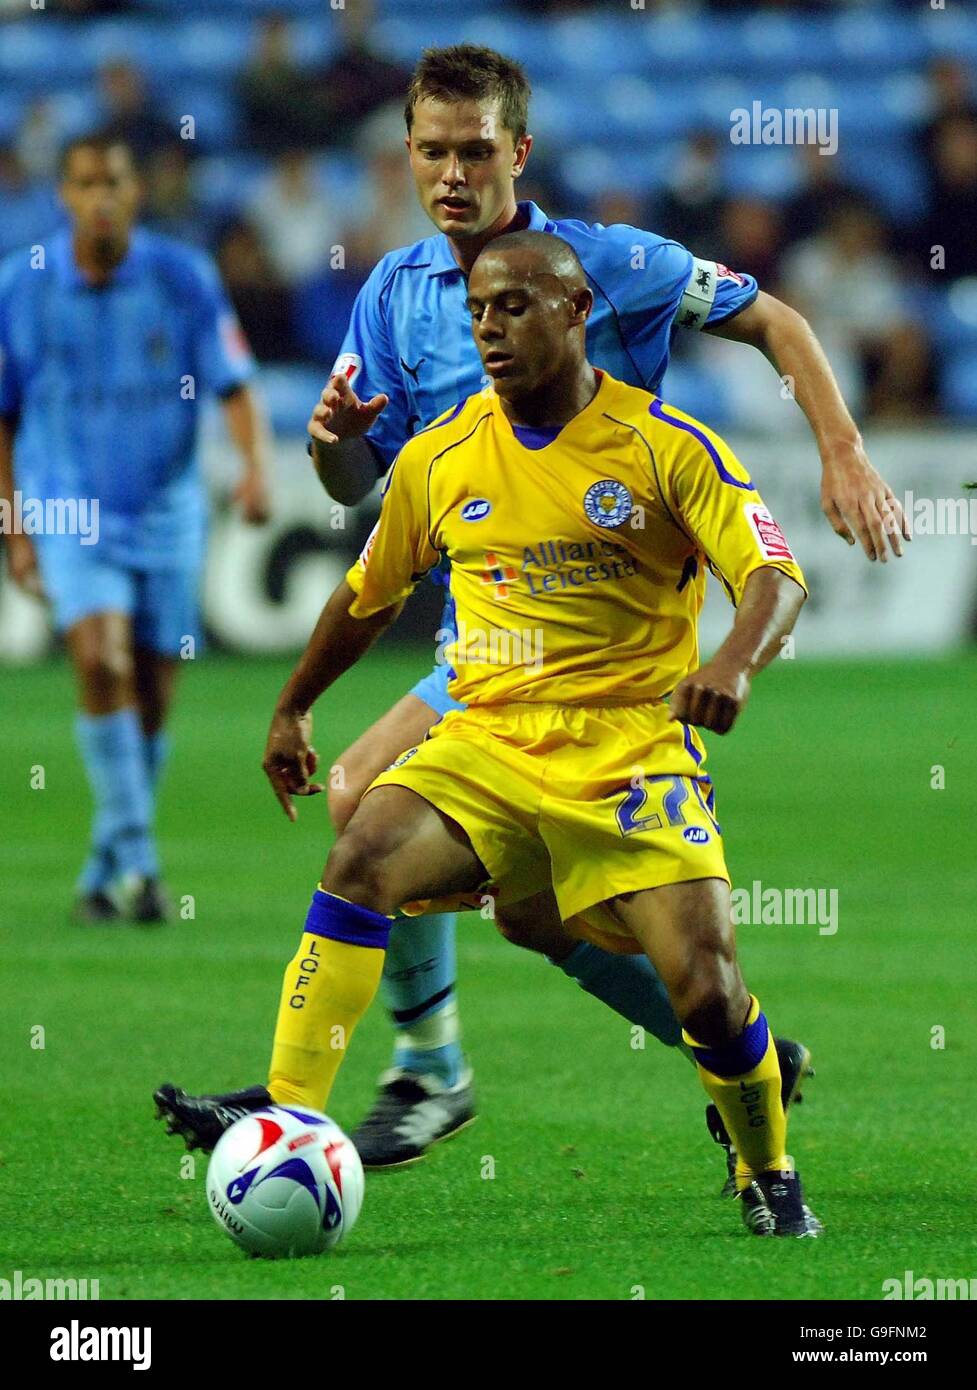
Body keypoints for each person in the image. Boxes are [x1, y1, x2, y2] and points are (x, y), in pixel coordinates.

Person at [294, 45, 905, 1170]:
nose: (450, 175)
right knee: (493, 891)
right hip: (484, 640)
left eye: (474, 151)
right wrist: (331, 443)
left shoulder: (615, 262)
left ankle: (438, 1072)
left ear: (517, 152)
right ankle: (711, 1057)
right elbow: (355, 485)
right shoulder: (392, 292)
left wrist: (842, 451)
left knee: (402, 827)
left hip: (609, 642)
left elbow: (774, 320)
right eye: (430, 152)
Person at [155, 231, 820, 1238]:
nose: (490, 330)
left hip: (629, 748)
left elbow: (772, 574)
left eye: (514, 307)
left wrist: (731, 665)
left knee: (708, 993)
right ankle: (291, 1117)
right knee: (362, 853)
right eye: (477, 313)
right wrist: (292, 704)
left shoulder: (666, 446)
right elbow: (367, 593)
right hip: (489, 739)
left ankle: (766, 1168)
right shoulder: (441, 453)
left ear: (576, 312)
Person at [0, 134, 271, 922]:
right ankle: (143, 866)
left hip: (168, 509)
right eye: (85, 183)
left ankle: (105, 865)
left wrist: (254, 465)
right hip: (69, 507)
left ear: (135, 191)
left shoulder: (183, 276)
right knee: (100, 660)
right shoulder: (20, 285)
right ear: (64, 195)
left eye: (113, 181)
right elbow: (3, 415)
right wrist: (16, 528)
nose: (101, 197)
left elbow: (233, 382)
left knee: (152, 693)